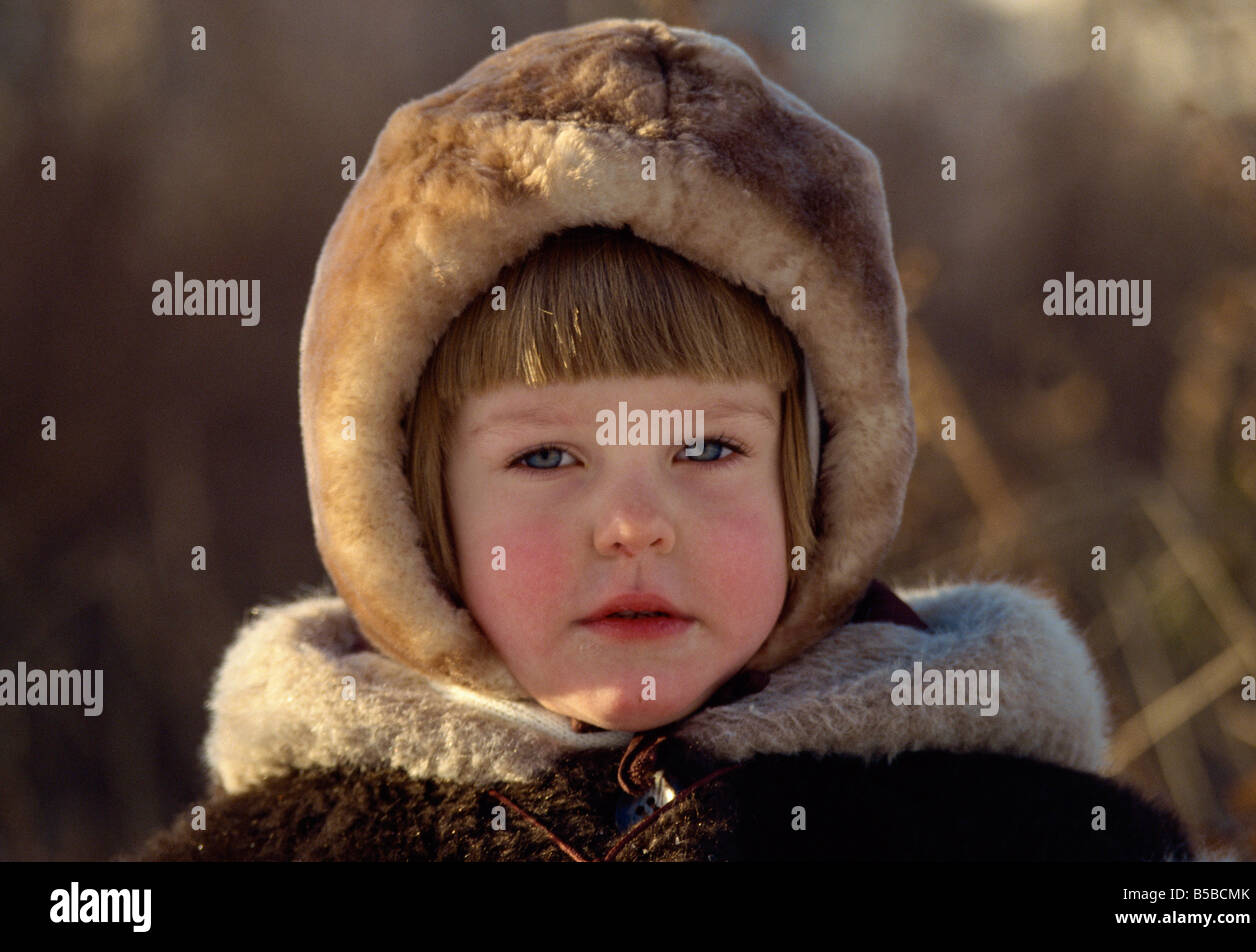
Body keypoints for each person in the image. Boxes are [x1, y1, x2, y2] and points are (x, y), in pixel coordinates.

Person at [127, 18, 1197, 861]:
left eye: (706, 451)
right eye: (545, 457)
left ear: (817, 490)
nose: (635, 524)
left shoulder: (1020, 831)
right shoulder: (289, 844)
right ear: (412, 512)